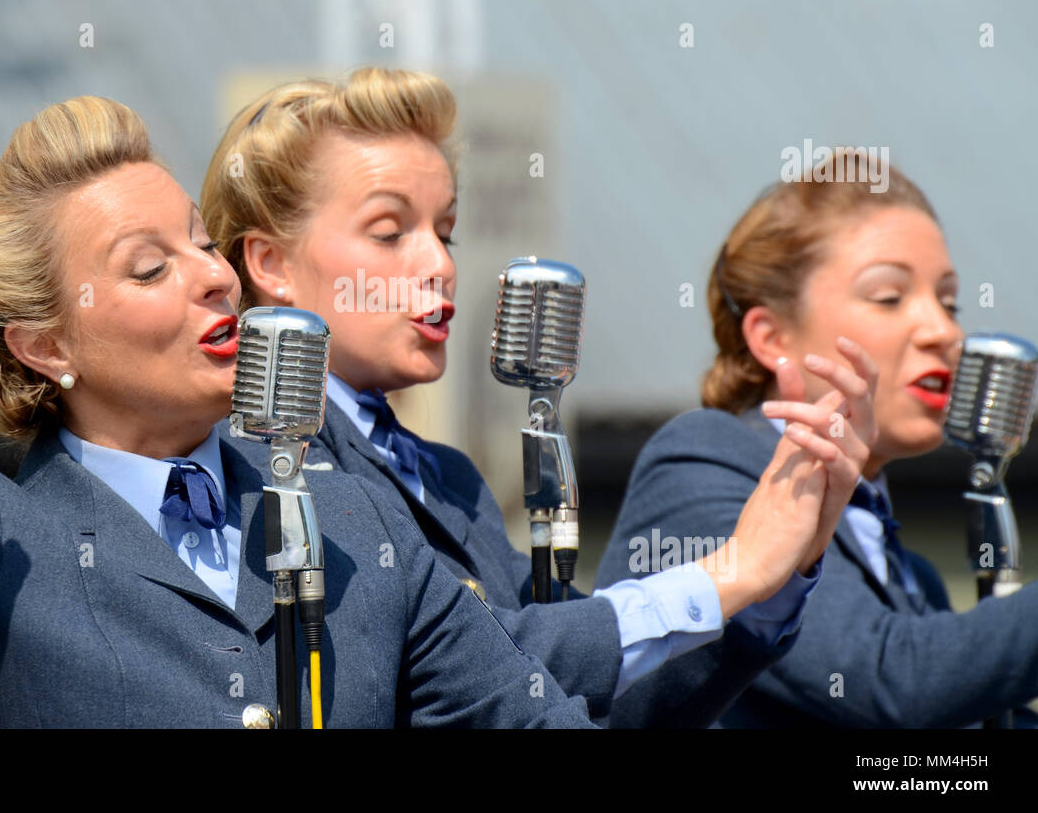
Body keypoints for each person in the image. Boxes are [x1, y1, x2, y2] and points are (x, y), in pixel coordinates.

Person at [0, 96, 620, 728]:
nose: (215, 277)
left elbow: (527, 710)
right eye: (147, 269)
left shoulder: (352, 516)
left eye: (204, 242)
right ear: (46, 347)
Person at [200, 67, 876, 725]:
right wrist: (729, 572)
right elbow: (457, 663)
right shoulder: (256, 464)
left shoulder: (450, 478)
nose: (439, 265)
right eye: (389, 231)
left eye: (446, 231)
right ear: (271, 263)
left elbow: (588, 694)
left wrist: (773, 577)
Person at [596, 150, 1038, 727]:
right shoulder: (707, 459)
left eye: (949, 302)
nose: (944, 331)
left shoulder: (916, 578)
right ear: (771, 334)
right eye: (889, 296)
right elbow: (890, 684)